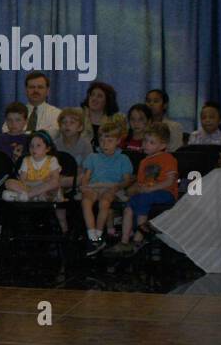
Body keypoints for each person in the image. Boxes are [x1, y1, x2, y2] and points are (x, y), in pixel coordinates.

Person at [107, 121, 178, 255]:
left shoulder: (167, 158)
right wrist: (134, 190)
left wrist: (152, 189)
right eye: (145, 141)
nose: (145, 144)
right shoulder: (144, 162)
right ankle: (125, 241)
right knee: (129, 206)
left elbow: (170, 181)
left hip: (166, 193)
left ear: (162, 145)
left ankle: (139, 239)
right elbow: (141, 183)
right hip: (147, 194)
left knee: (143, 199)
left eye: (151, 142)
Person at [80, 120, 134, 255]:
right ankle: (92, 235)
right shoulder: (93, 157)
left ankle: (98, 235)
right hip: (94, 187)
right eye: (102, 140)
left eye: (109, 140)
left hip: (111, 188)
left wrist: (117, 187)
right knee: (86, 202)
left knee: (105, 203)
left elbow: (127, 180)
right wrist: (84, 186)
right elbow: (87, 175)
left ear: (118, 141)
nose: (104, 144)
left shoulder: (123, 159)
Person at [2, 71, 59, 139]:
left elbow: (51, 136)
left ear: (47, 91)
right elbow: (6, 130)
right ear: (26, 90)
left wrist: (22, 133)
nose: (35, 91)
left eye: (40, 87)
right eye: (32, 87)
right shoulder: (15, 112)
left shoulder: (57, 114)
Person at [54, 107, 92, 189]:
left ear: (80, 127)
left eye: (72, 122)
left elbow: (89, 168)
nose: (67, 125)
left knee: (84, 178)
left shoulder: (85, 144)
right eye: (64, 122)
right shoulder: (55, 144)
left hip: (78, 179)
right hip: (59, 177)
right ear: (59, 126)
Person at [81, 81, 122, 150]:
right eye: (92, 95)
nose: (94, 99)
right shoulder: (78, 116)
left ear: (107, 100)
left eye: (99, 96)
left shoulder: (117, 120)